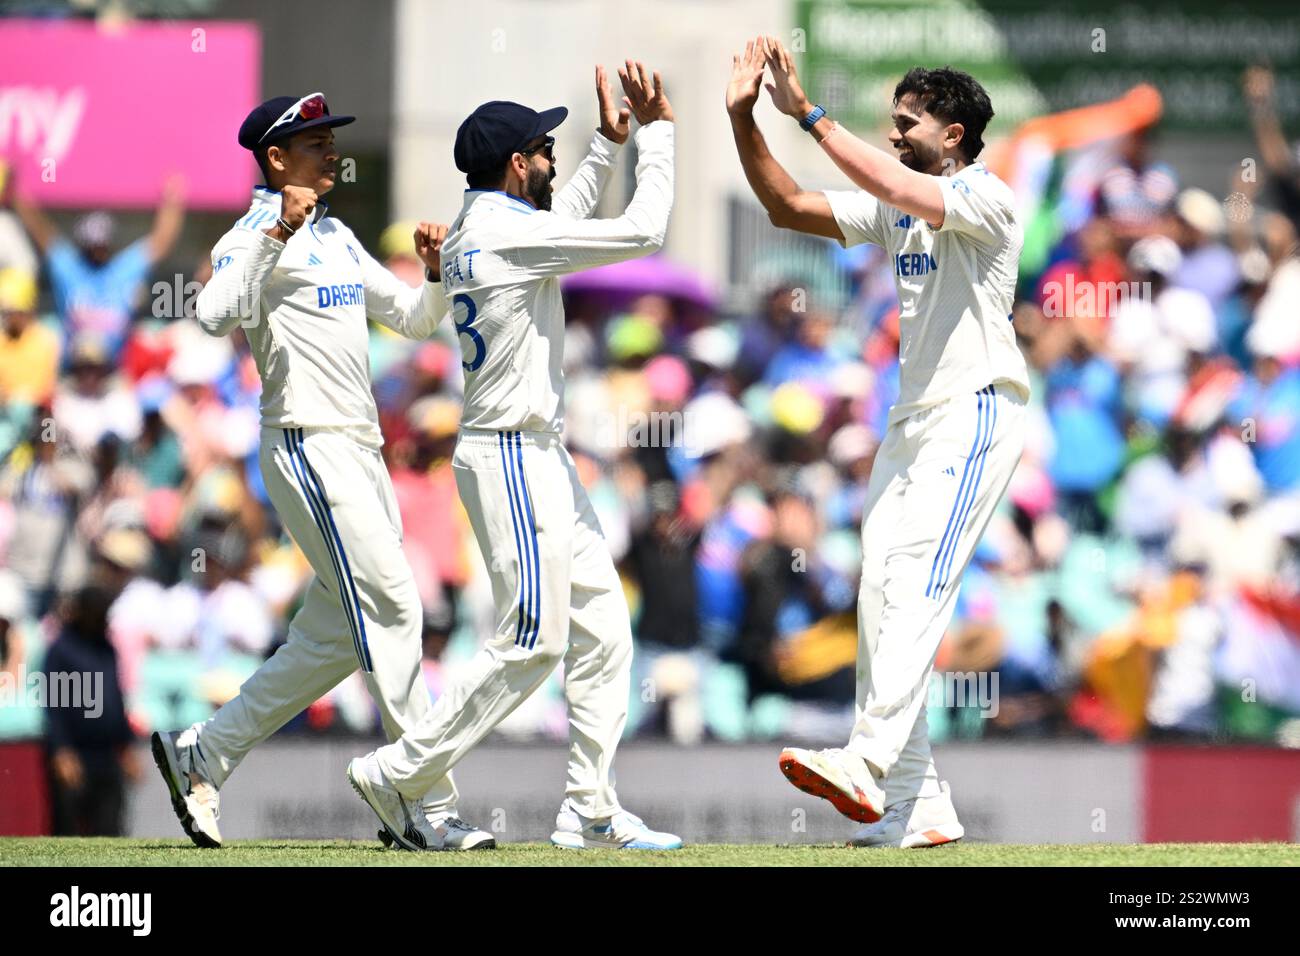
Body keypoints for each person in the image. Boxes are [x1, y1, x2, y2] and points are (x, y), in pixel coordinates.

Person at [346, 62, 682, 851]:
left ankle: (589, 807)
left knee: (605, 633)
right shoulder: (502, 233)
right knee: (536, 640)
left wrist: (607, 141)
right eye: (544, 146)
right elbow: (642, 231)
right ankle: (401, 769)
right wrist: (657, 135)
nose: (552, 155)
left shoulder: (484, 226)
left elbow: (557, 217)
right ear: (513, 163)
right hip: (509, 454)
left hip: (534, 454)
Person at [149, 91, 493, 852]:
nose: (331, 152)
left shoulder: (335, 234)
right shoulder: (254, 233)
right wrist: (276, 230)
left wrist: (435, 277)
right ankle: (422, 804)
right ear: (276, 159)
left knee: (337, 635)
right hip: (307, 446)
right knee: (398, 610)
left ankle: (203, 753)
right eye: (315, 143)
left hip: (360, 451)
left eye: (331, 139)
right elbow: (211, 313)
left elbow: (408, 317)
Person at [727, 37, 1030, 847]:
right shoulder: (901, 203)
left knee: (920, 586)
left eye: (907, 122)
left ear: (953, 135)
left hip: (975, 411)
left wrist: (808, 114)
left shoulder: (986, 196)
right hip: (912, 421)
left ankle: (868, 758)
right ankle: (918, 800)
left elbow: (897, 183)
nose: (894, 134)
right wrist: (742, 119)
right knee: (882, 598)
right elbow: (789, 207)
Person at [10, 174, 185, 360]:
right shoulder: (70, 269)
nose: (97, 251)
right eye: (92, 247)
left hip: (114, 374)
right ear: (83, 246)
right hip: (73, 372)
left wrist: (172, 203)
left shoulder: (123, 271)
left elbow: (160, 243)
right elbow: (42, 234)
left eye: (101, 246)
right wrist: (17, 193)